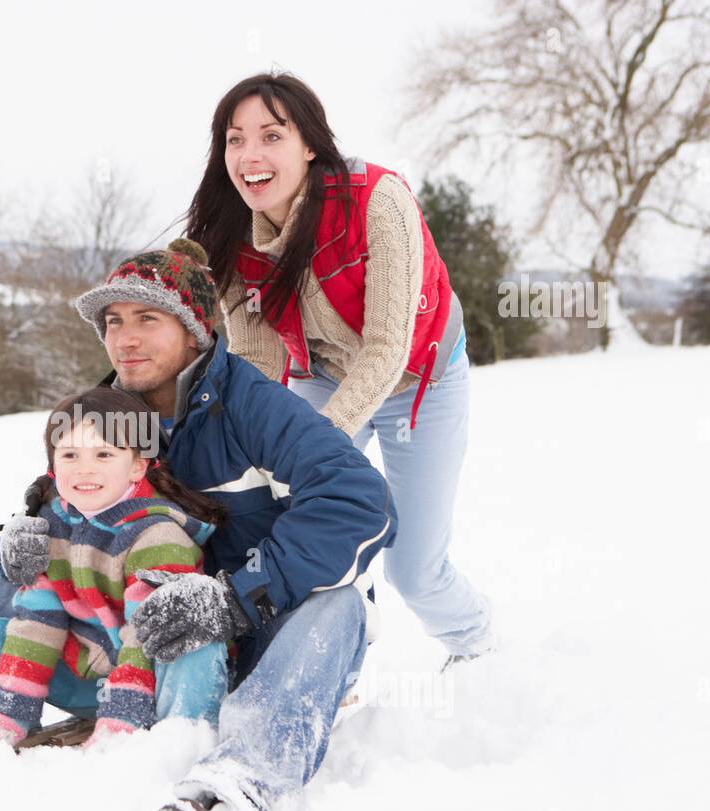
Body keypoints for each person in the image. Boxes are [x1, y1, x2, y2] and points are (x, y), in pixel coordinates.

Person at [0, 239, 397, 811]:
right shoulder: (108, 414)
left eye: (147, 319)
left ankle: (238, 794)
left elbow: (359, 501)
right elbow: (75, 510)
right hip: (140, 639)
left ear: (195, 329)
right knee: (4, 581)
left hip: (257, 638)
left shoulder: (252, 406)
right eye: (113, 322)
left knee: (339, 603)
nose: (125, 338)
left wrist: (238, 597)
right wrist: (28, 532)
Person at [185, 72, 494, 668]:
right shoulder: (232, 234)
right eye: (234, 139)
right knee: (297, 517)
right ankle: (336, 649)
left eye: (271, 136)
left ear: (309, 145)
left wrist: (317, 441)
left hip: (419, 379)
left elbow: (386, 348)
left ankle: (477, 647)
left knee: (415, 570)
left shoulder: (376, 200)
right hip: (323, 374)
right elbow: (256, 360)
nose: (249, 155)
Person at [0, 387, 229, 756]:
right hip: (91, 681)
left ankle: (180, 747)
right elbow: (37, 621)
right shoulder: (50, 528)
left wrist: (121, 723)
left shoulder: (157, 535)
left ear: (137, 463)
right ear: (52, 466)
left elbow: (143, 637)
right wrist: (10, 713)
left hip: (156, 681)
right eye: (70, 454)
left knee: (194, 649)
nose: (85, 468)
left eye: (103, 454)